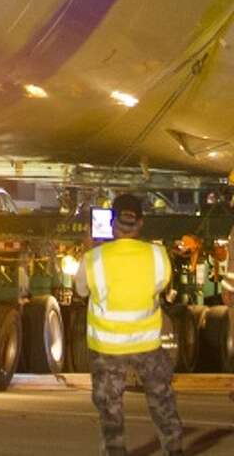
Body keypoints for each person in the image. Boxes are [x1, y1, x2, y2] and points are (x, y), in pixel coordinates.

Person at [74, 192, 184, 456]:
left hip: (107, 347)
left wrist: (88, 250)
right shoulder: (157, 255)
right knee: (161, 399)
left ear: (112, 223)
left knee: (110, 407)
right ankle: (174, 448)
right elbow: (160, 286)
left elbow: (80, 290)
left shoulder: (95, 259)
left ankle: (115, 451)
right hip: (147, 344)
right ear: (140, 223)